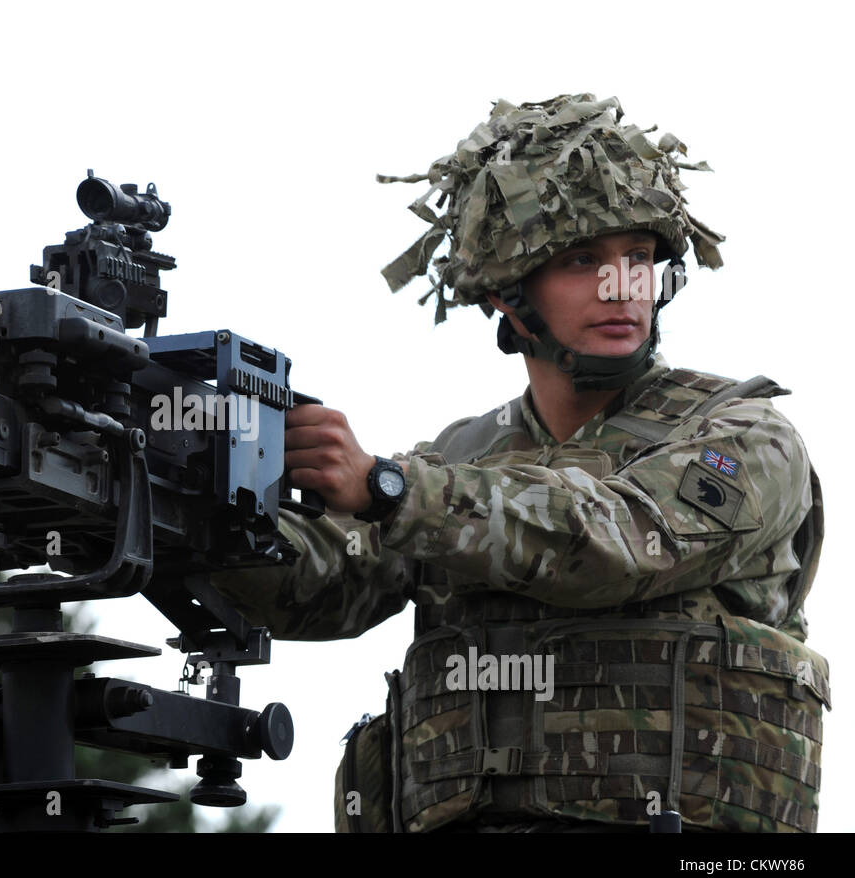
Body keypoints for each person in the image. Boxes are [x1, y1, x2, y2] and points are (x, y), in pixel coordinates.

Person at [209, 94, 829, 833]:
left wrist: (390, 489)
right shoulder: (463, 455)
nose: (621, 287)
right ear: (508, 293)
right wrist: (184, 509)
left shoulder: (745, 435)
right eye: (581, 260)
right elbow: (321, 587)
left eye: (639, 259)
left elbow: (618, 541)